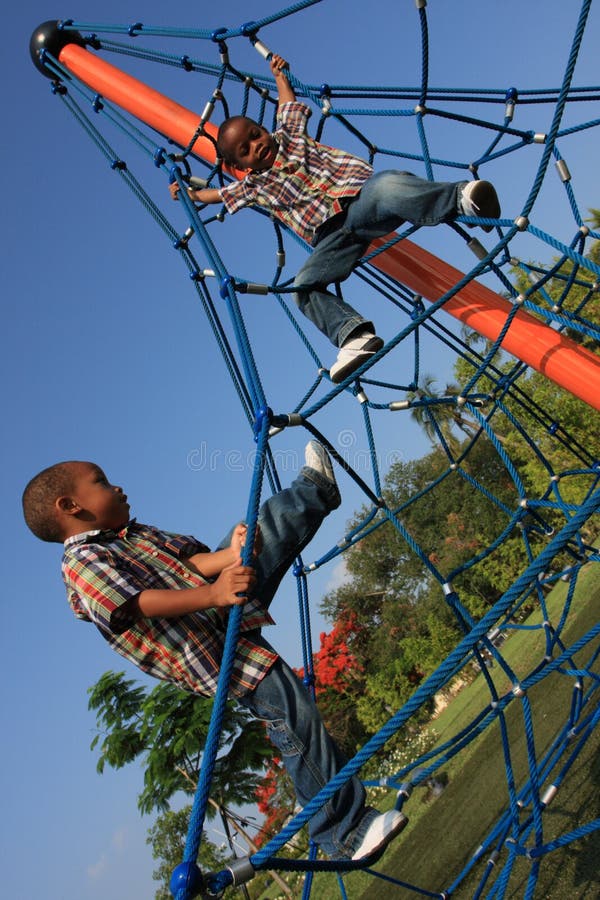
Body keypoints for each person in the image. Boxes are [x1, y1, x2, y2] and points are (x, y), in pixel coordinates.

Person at [22, 442, 407, 861]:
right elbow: (137, 603)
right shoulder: (82, 562)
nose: (118, 488)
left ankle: (314, 489)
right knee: (290, 711)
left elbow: (184, 569)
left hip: (215, 608)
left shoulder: (130, 537)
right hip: (204, 650)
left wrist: (231, 555)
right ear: (70, 506)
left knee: (261, 529)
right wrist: (214, 592)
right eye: (102, 482)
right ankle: (344, 831)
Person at [170, 54, 501, 383]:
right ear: (242, 167)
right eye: (245, 150)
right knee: (302, 286)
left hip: (361, 203)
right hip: (331, 236)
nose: (256, 146)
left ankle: (463, 201)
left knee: (388, 185)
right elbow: (221, 195)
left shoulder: (289, 138)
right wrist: (190, 193)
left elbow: (286, 107)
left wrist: (281, 78)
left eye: (255, 135)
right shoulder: (253, 186)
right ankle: (353, 336)